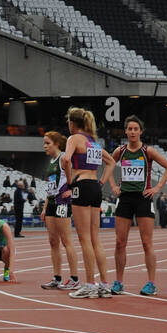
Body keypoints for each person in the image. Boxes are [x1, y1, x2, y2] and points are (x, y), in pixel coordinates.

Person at [105, 116, 167, 297]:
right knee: (120, 243)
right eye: (130, 129)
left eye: (136, 129)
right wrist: (112, 185)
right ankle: (119, 282)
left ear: (141, 131)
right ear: (126, 131)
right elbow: (108, 165)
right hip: (125, 199)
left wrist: (158, 187)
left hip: (143, 198)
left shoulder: (147, 151)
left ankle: (151, 283)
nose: (133, 132)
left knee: (146, 243)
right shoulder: (120, 151)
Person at [61, 106, 116, 299]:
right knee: (95, 239)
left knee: (84, 239)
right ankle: (104, 284)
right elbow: (112, 162)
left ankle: (90, 284)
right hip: (95, 187)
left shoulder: (74, 138)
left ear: (72, 123)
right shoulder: (93, 142)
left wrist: (69, 181)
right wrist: (102, 180)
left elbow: (67, 159)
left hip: (81, 186)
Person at [39, 130, 78, 292]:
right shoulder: (51, 161)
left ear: (56, 144)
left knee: (66, 240)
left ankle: (74, 278)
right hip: (52, 203)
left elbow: (77, 174)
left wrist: (72, 188)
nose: (45, 146)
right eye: (44, 143)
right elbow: (50, 187)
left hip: (62, 203)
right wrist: (44, 207)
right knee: (53, 242)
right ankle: (56, 277)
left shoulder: (63, 159)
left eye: (47, 143)